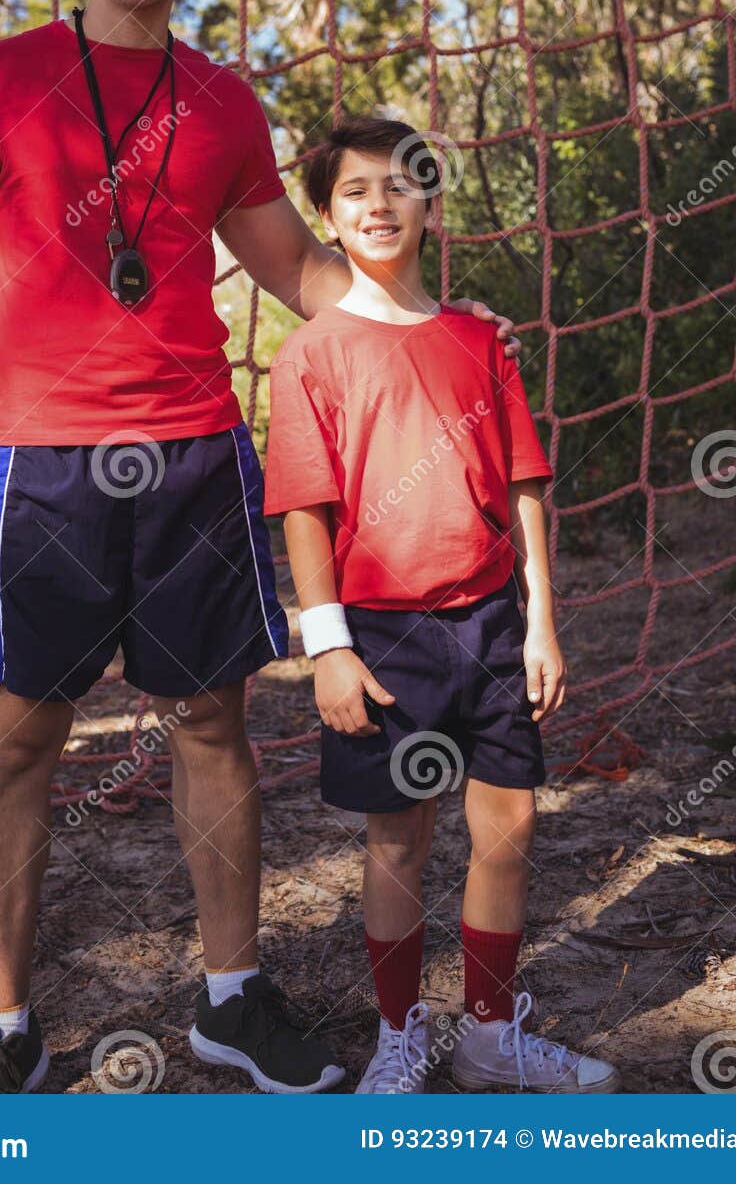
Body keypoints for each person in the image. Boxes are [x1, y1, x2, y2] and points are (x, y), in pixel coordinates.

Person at [0, 0, 521, 1095]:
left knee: (209, 723)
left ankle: (231, 998)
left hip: (192, 448)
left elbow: (297, 270)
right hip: (35, 459)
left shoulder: (222, 99)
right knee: (15, 741)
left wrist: (427, 321)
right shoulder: (0, 76)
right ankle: (2, 1022)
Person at [263, 115, 619, 1094]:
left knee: (508, 822)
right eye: (352, 192)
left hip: (489, 622)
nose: (376, 204)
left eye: (396, 185)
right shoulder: (310, 354)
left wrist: (539, 618)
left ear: (426, 200)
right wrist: (326, 645)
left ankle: (490, 1033)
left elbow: (522, 486)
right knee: (396, 835)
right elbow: (301, 506)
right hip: (380, 633)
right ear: (325, 217)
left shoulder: (476, 338)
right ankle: (396, 1035)